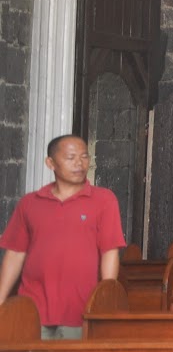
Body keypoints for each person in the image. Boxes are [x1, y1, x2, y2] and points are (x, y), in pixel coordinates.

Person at [0, 135, 126, 339]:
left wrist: (105, 299)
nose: (79, 163)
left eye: (84, 156)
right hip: (33, 307)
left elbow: (109, 251)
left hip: (81, 308)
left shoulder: (104, 200)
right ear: (50, 163)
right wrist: (1, 300)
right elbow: (15, 253)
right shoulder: (29, 203)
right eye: (70, 157)